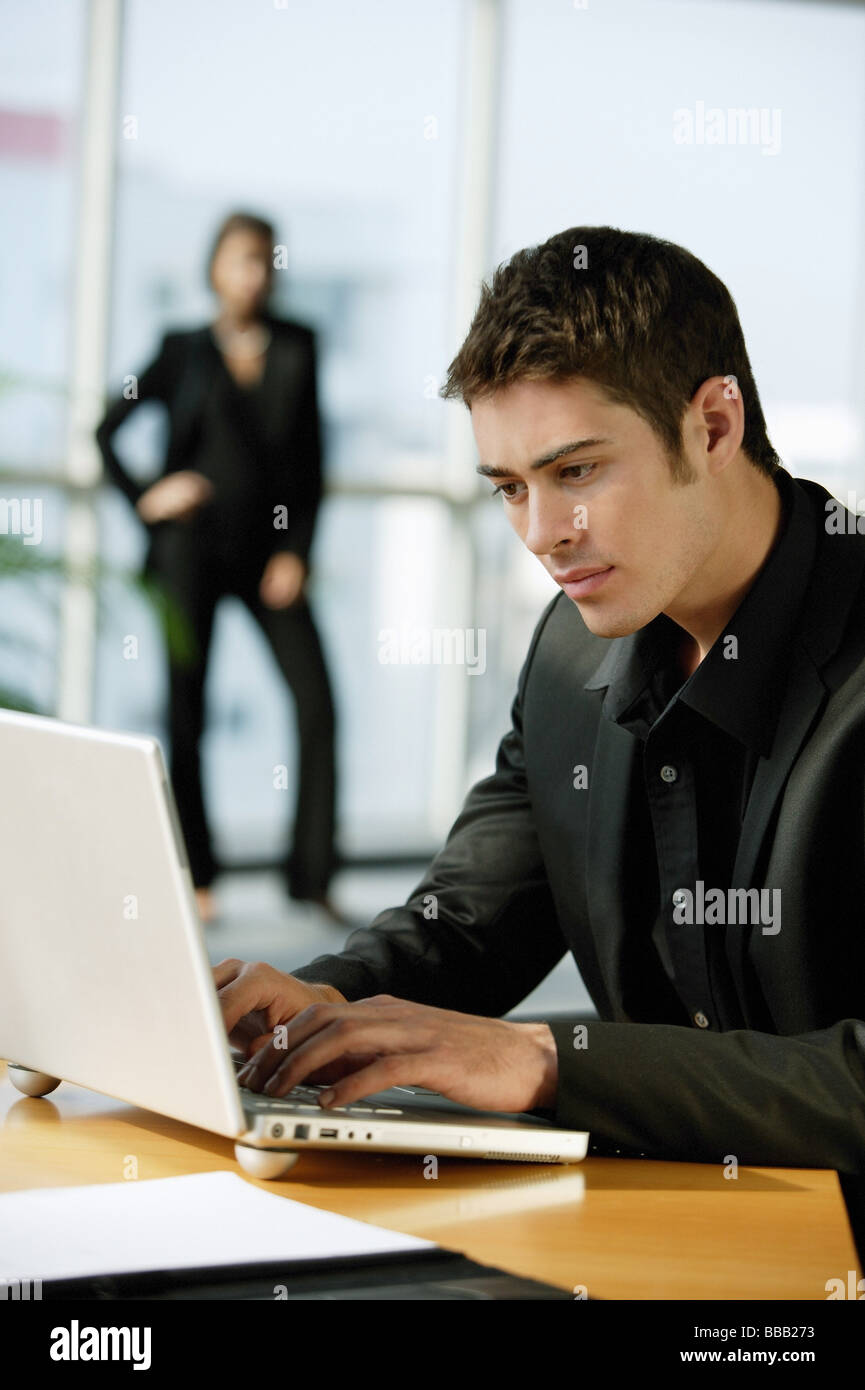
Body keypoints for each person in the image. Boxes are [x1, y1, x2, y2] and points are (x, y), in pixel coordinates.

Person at [210, 225, 865, 1252]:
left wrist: (549, 1058)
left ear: (714, 422)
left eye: (576, 471)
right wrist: (312, 1001)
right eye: (511, 486)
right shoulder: (571, 654)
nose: (542, 532)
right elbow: (468, 922)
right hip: (662, 1241)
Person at [96, 211, 341, 925]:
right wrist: (147, 496)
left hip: (271, 559)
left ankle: (311, 878)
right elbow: (108, 428)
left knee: (317, 705)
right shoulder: (182, 350)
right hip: (189, 554)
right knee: (187, 709)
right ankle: (197, 879)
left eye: (264, 261)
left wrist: (296, 549)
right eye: (239, 261)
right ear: (214, 270)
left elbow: (312, 460)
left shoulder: (299, 345)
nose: (253, 274)